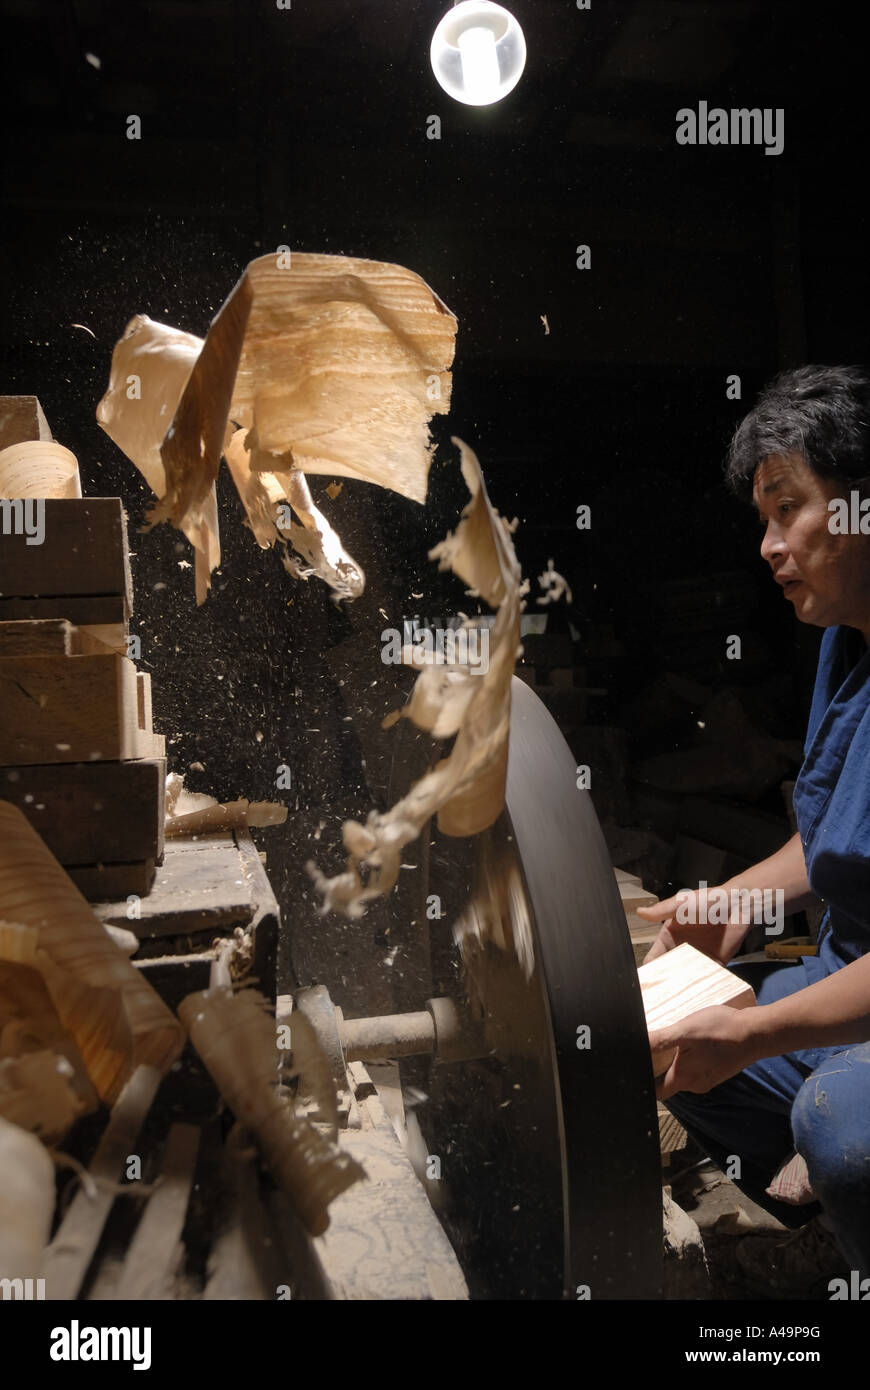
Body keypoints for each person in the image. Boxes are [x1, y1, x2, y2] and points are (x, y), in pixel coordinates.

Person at [637, 364, 870, 1298]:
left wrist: (761, 1031)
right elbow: (829, 839)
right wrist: (735, 902)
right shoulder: (844, 643)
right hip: (845, 979)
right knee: (665, 1045)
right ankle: (838, 1238)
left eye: (790, 510)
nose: (771, 547)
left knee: (836, 1121)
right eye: (762, 520)